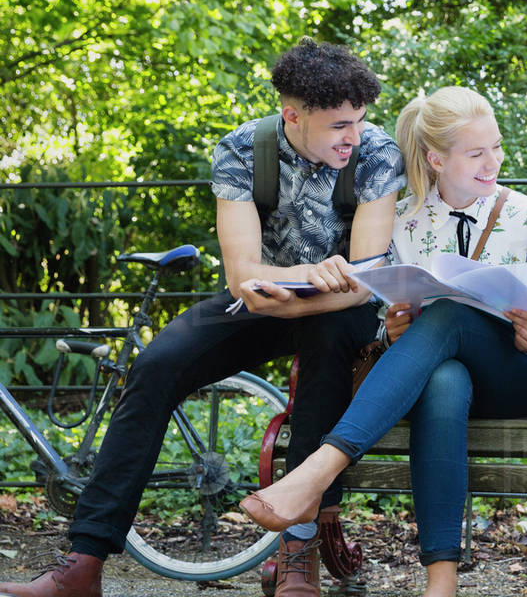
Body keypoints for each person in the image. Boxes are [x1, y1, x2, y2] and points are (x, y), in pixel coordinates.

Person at [0, 38, 405, 597]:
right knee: (157, 365)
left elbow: (364, 283)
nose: (353, 136)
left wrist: (294, 285)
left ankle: (298, 552)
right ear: (293, 115)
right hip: (261, 303)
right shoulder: (243, 150)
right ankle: (83, 562)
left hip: (340, 312)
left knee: (329, 345)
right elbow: (243, 275)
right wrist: (299, 278)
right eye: (339, 126)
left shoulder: (379, 153)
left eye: (359, 121)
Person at [239, 86, 527, 597]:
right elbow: (387, 317)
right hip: (436, 382)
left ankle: (317, 470)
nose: (493, 161)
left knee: (449, 314)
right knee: (445, 377)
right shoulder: (404, 222)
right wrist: (394, 330)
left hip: (518, 376)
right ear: (436, 158)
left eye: (495, 146)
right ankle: (441, 584)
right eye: (476, 152)